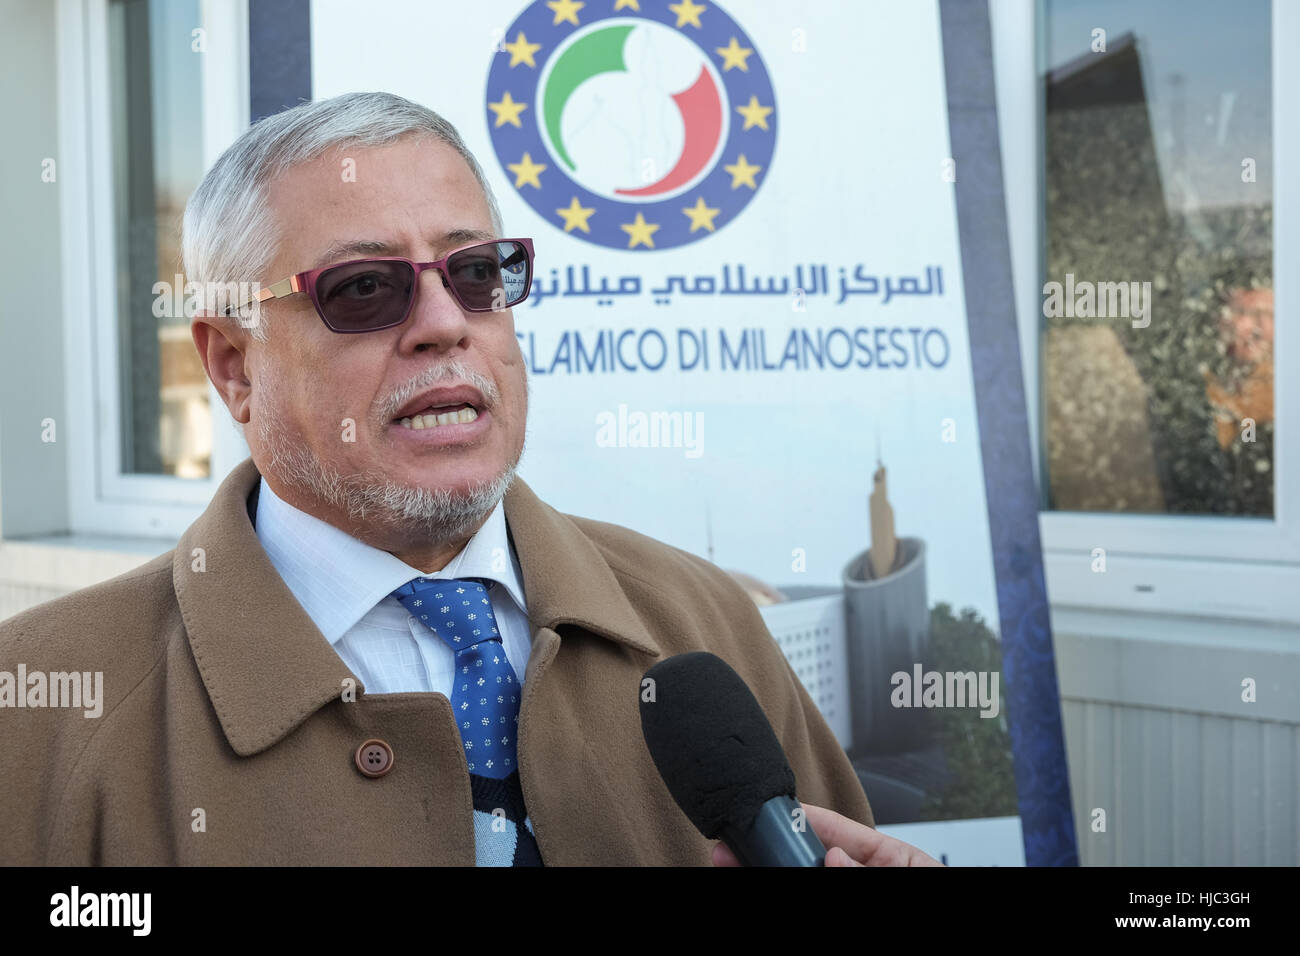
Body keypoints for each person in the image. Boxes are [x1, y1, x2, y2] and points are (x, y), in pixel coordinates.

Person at [0, 91, 932, 866]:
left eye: (477, 272)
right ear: (234, 365)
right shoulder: (39, 705)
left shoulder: (703, 623)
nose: (446, 323)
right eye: (365, 287)